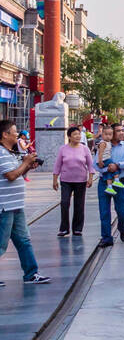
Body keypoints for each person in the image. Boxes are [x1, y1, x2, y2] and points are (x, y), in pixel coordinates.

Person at [0, 118, 50, 285]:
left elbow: (17, 173)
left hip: (16, 205)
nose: (17, 134)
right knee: (1, 243)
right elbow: (11, 176)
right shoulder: (0, 153)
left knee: (23, 240)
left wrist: (28, 166)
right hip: (5, 206)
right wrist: (26, 162)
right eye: (14, 132)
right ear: (5, 134)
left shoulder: (10, 152)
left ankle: (31, 273)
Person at [95, 122, 124, 246]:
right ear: (112, 133)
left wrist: (117, 165)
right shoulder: (103, 145)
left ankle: (122, 227)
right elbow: (96, 163)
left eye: (122, 130)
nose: (121, 133)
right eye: (118, 131)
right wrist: (107, 169)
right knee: (104, 211)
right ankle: (106, 237)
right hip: (104, 182)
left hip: (120, 182)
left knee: (122, 211)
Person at [52, 125, 95, 236]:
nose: (78, 136)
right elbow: (57, 165)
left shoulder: (85, 148)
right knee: (65, 203)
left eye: (79, 134)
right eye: (75, 134)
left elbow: (90, 164)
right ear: (69, 137)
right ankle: (64, 228)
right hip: (66, 180)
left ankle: (77, 228)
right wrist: (55, 179)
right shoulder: (63, 149)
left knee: (79, 205)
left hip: (81, 180)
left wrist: (90, 178)